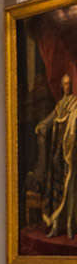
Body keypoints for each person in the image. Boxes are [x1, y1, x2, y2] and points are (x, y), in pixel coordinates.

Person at [37, 72, 77, 237]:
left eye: (69, 83)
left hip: (70, 154)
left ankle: (69, 226)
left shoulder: (74, 104)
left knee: (70, 190)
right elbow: (50, 119)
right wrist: (41, 126)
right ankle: (55, 225)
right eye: (64, 84)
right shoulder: (60, 104)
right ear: (61, 86)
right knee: (55, 188)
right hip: (57, 154)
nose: (66, 86)